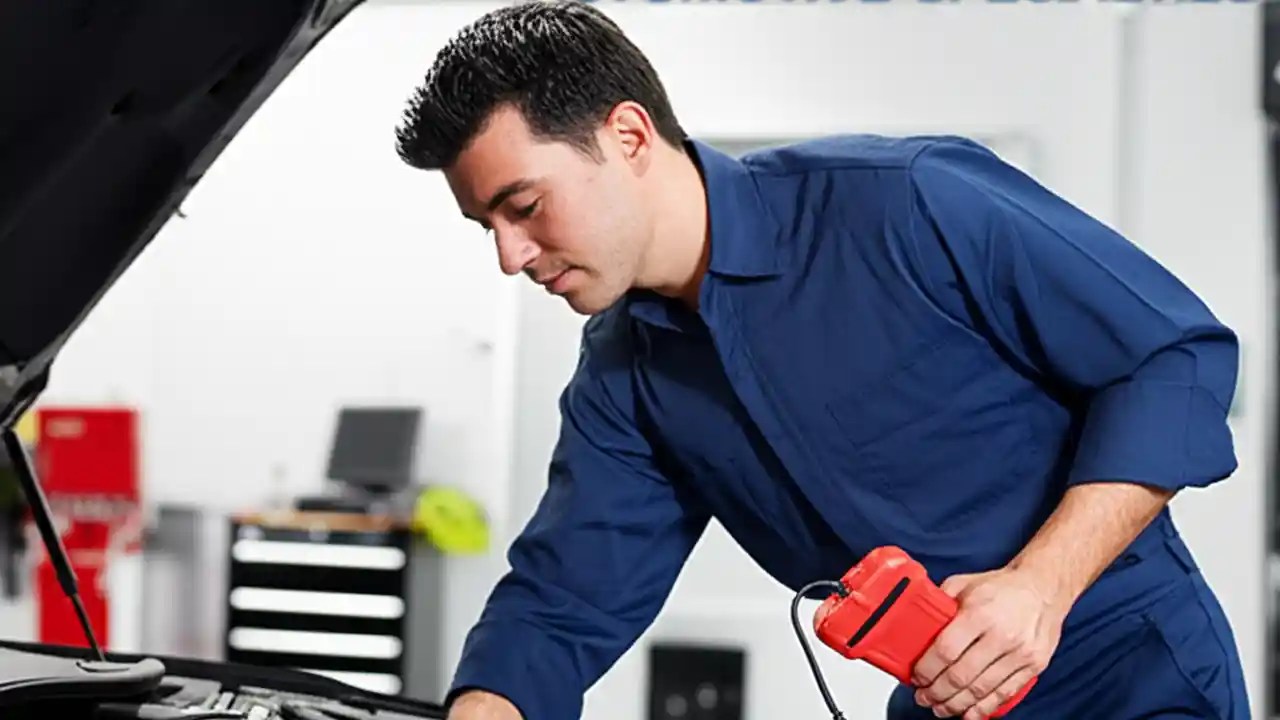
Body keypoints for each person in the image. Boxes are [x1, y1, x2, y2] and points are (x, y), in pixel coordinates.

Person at [393, 2, 1250, 718]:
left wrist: (1041, 586)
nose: (511, 256)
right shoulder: (624, 377)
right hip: (942, 698)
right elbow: (565, 596)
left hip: (1133, 678)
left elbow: (1174, 356)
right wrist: (485, 708)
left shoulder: (907, 200)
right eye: (488, 228)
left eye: (525, 206)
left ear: (627, 135)